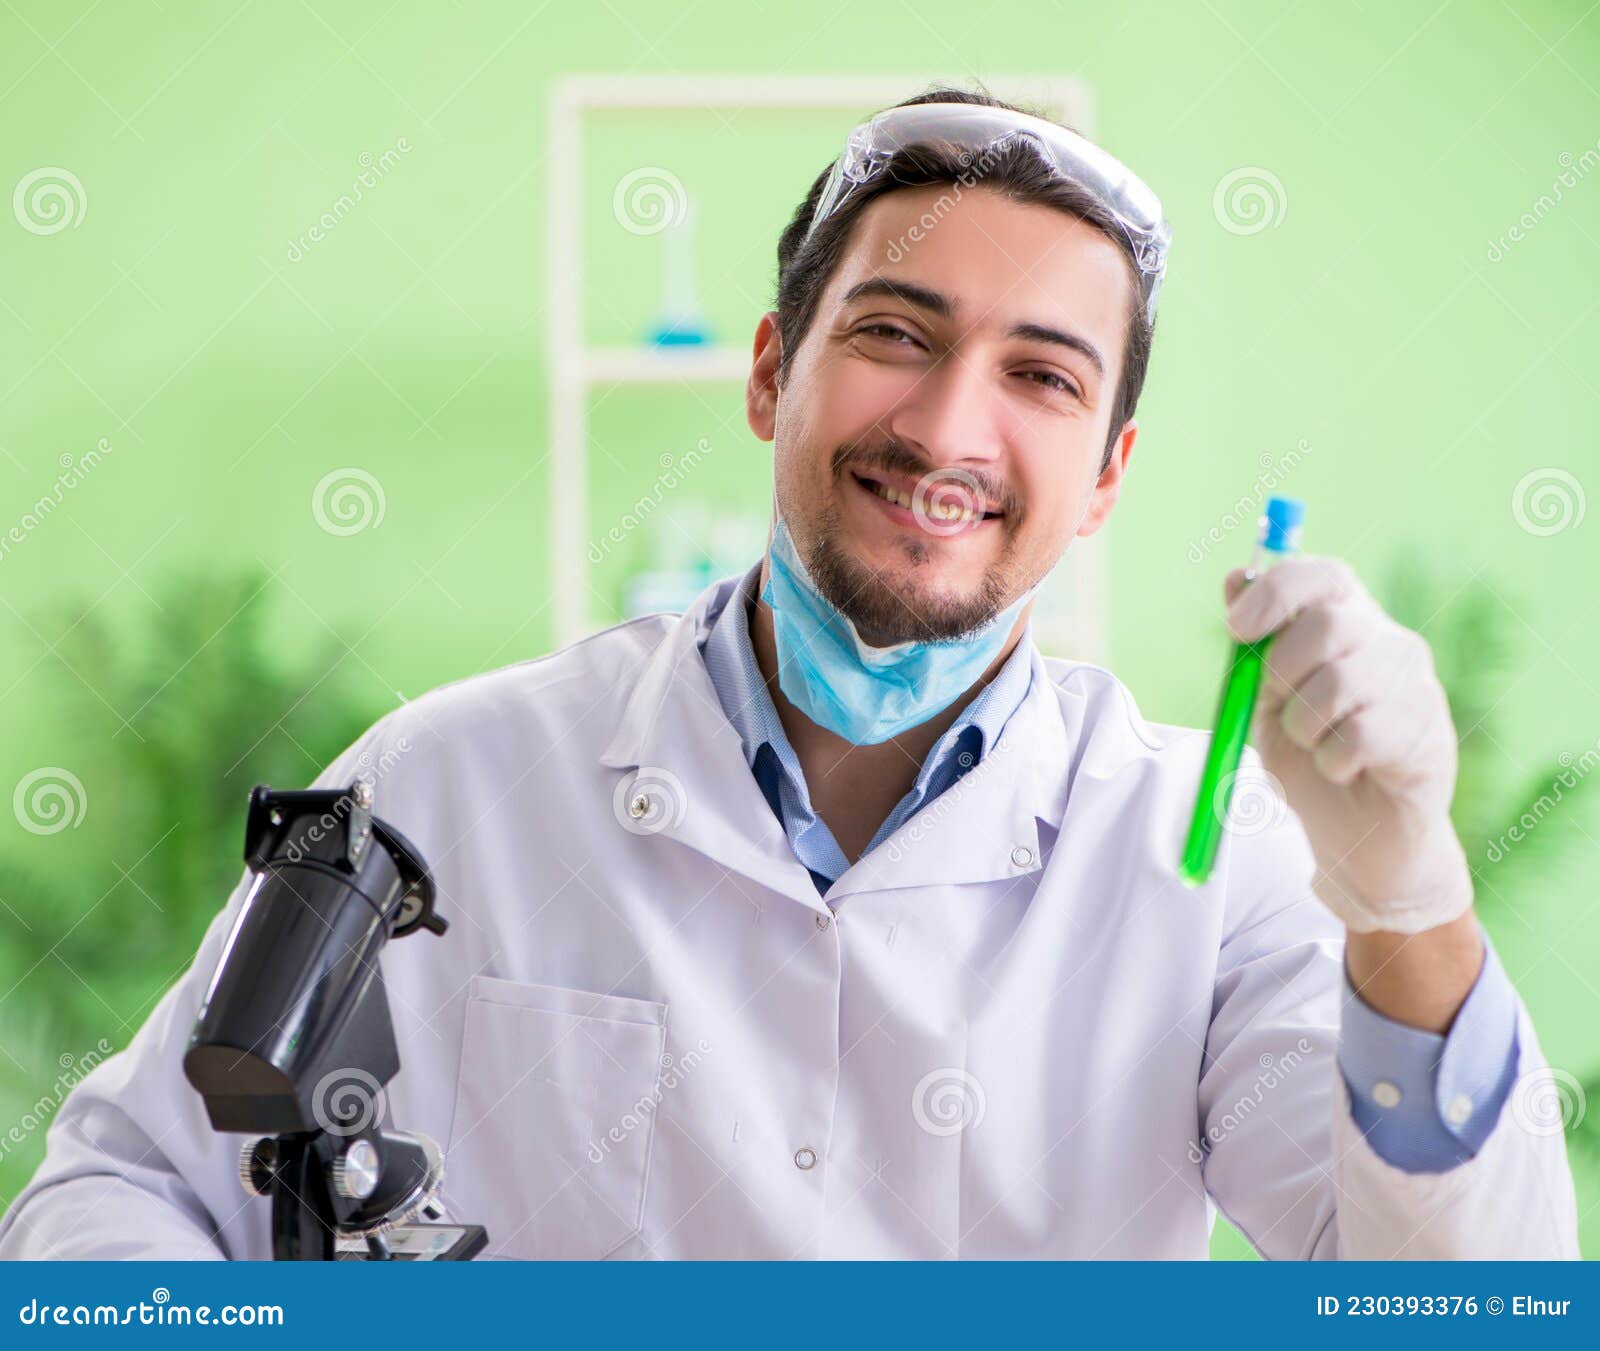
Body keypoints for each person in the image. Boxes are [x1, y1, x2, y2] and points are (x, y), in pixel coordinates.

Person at [0, 86, 1578, 1261]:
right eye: (896, 332)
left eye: (1040, 374)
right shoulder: (437, 782)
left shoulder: (1211, 856)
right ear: (773, 372)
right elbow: (119, 1193)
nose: (952, 429)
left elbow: (1452, 1304)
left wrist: (1410, 902)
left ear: (1107, 472)